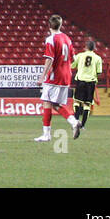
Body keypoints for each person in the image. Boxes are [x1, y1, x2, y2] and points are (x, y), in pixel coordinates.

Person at [34, 14, 78, 142]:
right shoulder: (67, 39)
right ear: (61, 24)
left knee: (47, 102)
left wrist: (42, 77)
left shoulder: (51, 39)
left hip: (55, 76)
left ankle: (47, 134)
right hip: (66, 75)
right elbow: (73, 58)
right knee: (54, 103)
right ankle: (73, 122)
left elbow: (49, 59)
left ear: (49, 25)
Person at [71, 39, 102, 138]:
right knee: (87, 105)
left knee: (77, 102)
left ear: (86, 47)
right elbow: (99, 72)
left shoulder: (79, 56)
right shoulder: (98, 58)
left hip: (80, 81)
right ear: (94, 48)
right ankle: (83, 125)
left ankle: (75, 123)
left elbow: (72, 65)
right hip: (91, 82)